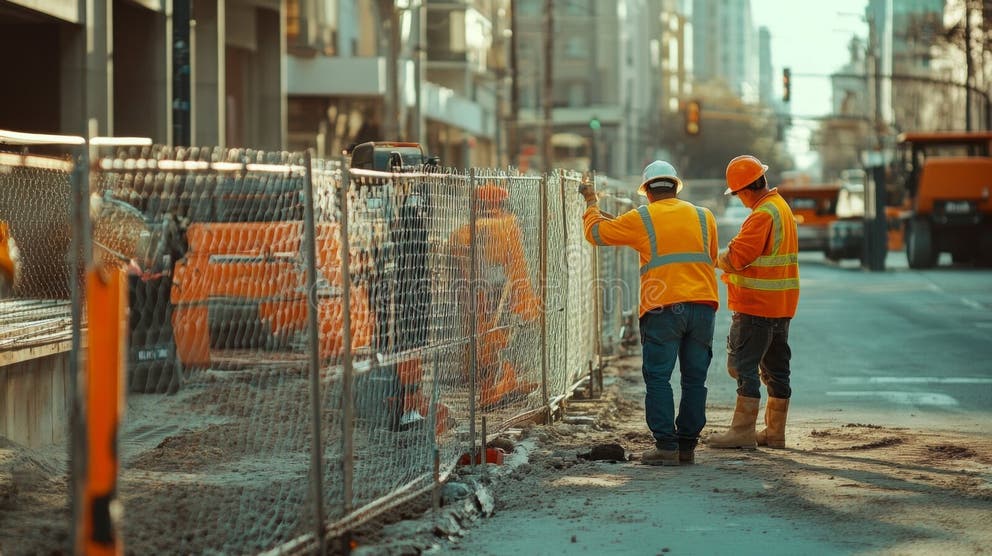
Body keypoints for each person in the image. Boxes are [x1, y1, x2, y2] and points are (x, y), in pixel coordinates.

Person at [580, 162, 718, 466]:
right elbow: (707, 254)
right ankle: (687, 447)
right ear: (675, 187)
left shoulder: (641, 218)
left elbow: (596, 234)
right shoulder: (704, 216)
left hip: (663, 308)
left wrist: (592, 203)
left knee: (658, 378)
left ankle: (666, 447)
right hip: (703, 307)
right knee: (695, 379)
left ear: (647, 192)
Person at [707, 155, 800, 450]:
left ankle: (743, 431)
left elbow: (737, 258)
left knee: (742, 366)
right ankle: (775, 433)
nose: (740, 199)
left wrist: (714, 258)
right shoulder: (780, 208)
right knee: (776, 370)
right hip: (780, 307)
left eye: (737, 194)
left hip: (756, 307)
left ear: (746, 189)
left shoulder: (762, 214)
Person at [450, 183, 540, 409]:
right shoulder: (499, 226)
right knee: (493, 341)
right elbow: (502, 262)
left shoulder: (467, 230)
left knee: (492, 341)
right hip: (495, 290)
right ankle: (492, 389)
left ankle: (501, 383)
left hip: (481, 292)